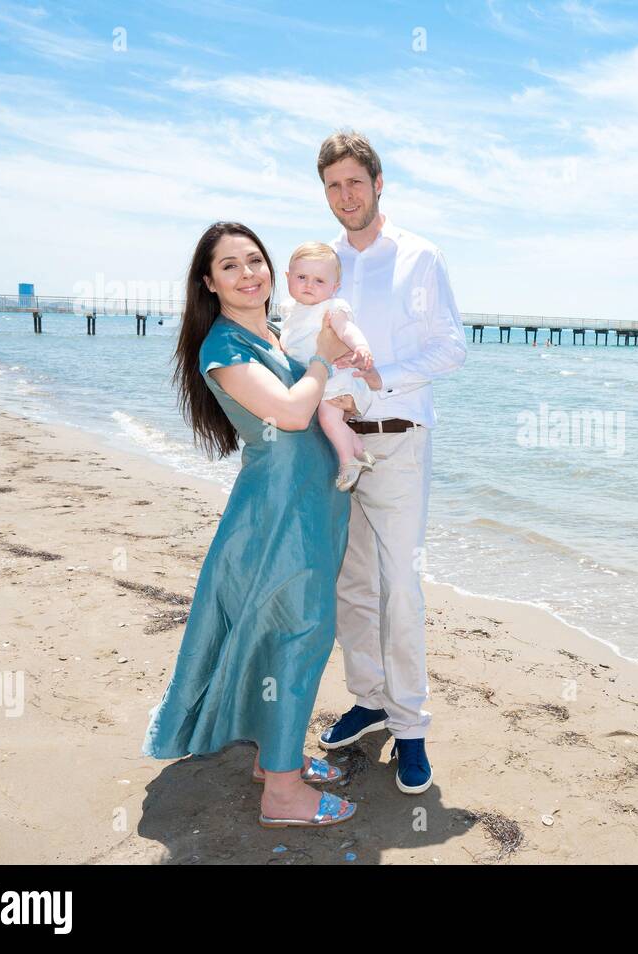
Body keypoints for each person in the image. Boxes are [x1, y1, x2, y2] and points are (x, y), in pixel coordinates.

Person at [142, 221, 357, 829]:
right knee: (301, 632)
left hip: (311, 505)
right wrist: (324, 358)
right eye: (229, 266)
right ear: (208, 282)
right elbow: (291, 413)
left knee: (276, 633)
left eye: (255, 260)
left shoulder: (276, 331)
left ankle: (274, 760)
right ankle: (283, 797)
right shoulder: (225, 348)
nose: (247, 274)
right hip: (280, 516)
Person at [313, 129, 467, 795]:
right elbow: (310, 342)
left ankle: (410, 729)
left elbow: (450, 348)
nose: (347, 196)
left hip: (399, 438)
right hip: (336, 441)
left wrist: (378, 378)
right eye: (334, 186)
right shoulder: (326, 265)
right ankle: (370, 698)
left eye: (356, 182)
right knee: (351, 584)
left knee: (399, 588)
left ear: (379, 184)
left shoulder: (420, 257)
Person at [277, 241, 377, 491]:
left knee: (328, 419)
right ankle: (360, 452)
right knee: (332, 421)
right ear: (288, 277)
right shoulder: (290, 310)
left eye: (319, 281)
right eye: (301, 277)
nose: (309, 285)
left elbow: (347, 330)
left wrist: (361, 347)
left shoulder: (332, 308)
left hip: (335, 379)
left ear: (335, 287)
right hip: (316, 378)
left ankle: (348, 462)